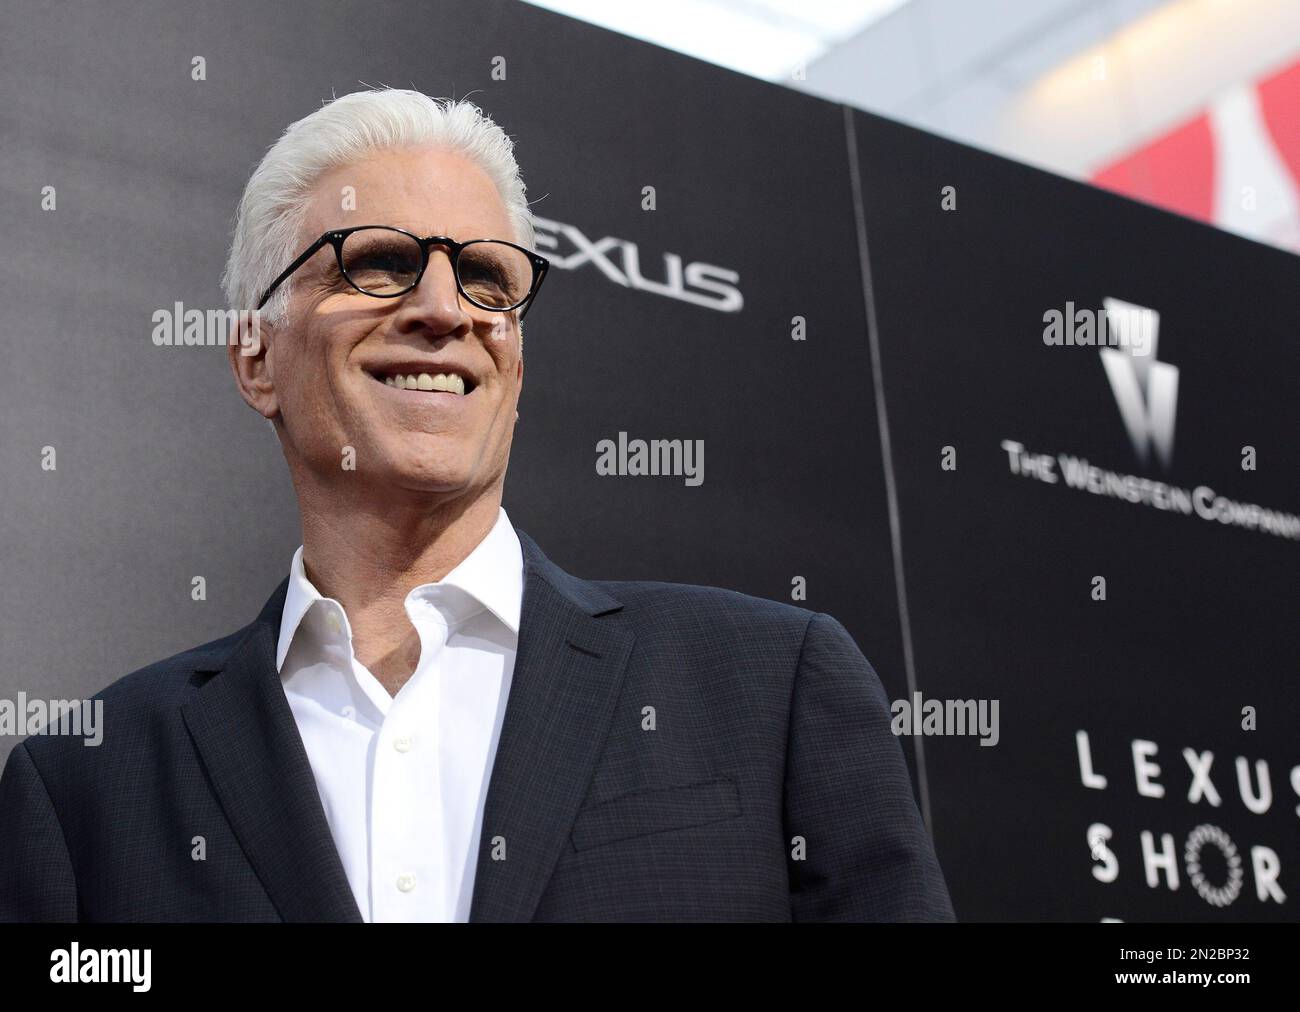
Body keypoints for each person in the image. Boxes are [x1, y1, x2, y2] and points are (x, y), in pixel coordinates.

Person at [0, 88, 954, 922]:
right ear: (256, 355)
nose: (447, 310)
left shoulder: (765, 685)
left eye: (489, 276)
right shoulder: (88, 784)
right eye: (376, 261)